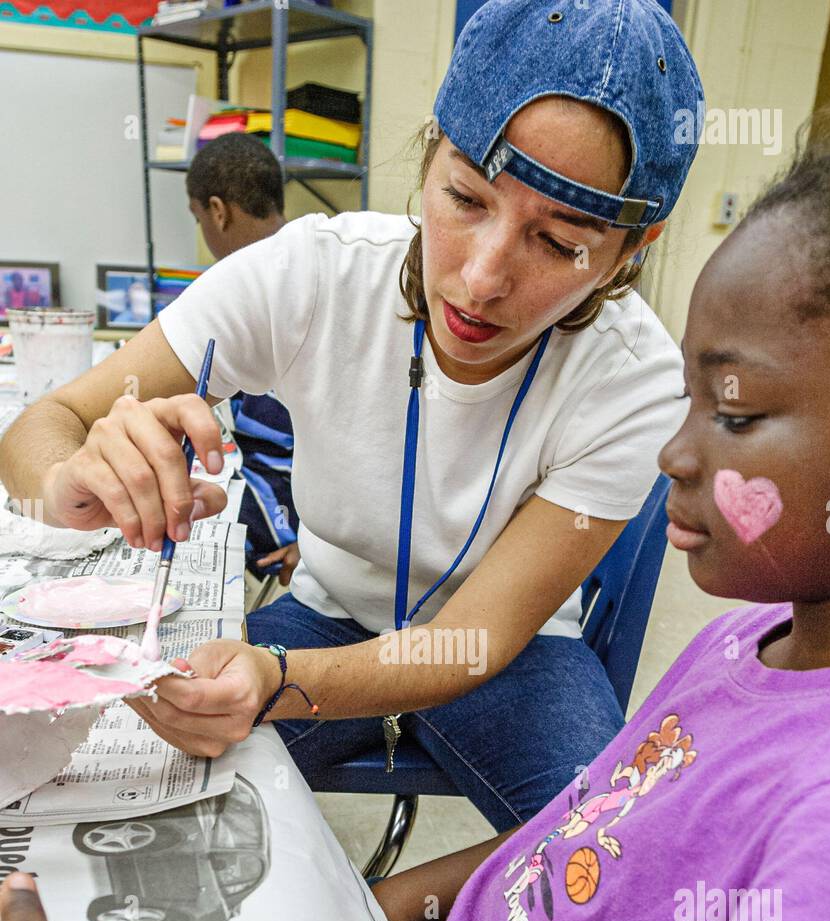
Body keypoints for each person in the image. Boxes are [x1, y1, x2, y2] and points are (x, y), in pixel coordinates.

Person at [2, 111, 830, 921]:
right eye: (464, 200)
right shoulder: (740, 644)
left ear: (626, 253)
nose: (674, 455)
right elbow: (595, 829)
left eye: (734, 413)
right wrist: (380, 913)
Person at [0, 0, 702, 829]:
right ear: (430, 154)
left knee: (622, 850)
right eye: (465, 199)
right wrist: (70, 477)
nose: (482, 280)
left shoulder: (635, 378)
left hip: (513, 651)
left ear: (631, 250)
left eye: (557, 242)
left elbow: (475, 639)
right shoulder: (315, 274)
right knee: (102, 793)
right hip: (328, 615)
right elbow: (51, 419)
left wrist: (281, 684)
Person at [187, 132, 300, 587]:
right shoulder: (298, 267)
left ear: (218, 211)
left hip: (290, 520)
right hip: (281, 499)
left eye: (198, 218)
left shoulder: (254, 290)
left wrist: (315, 547)